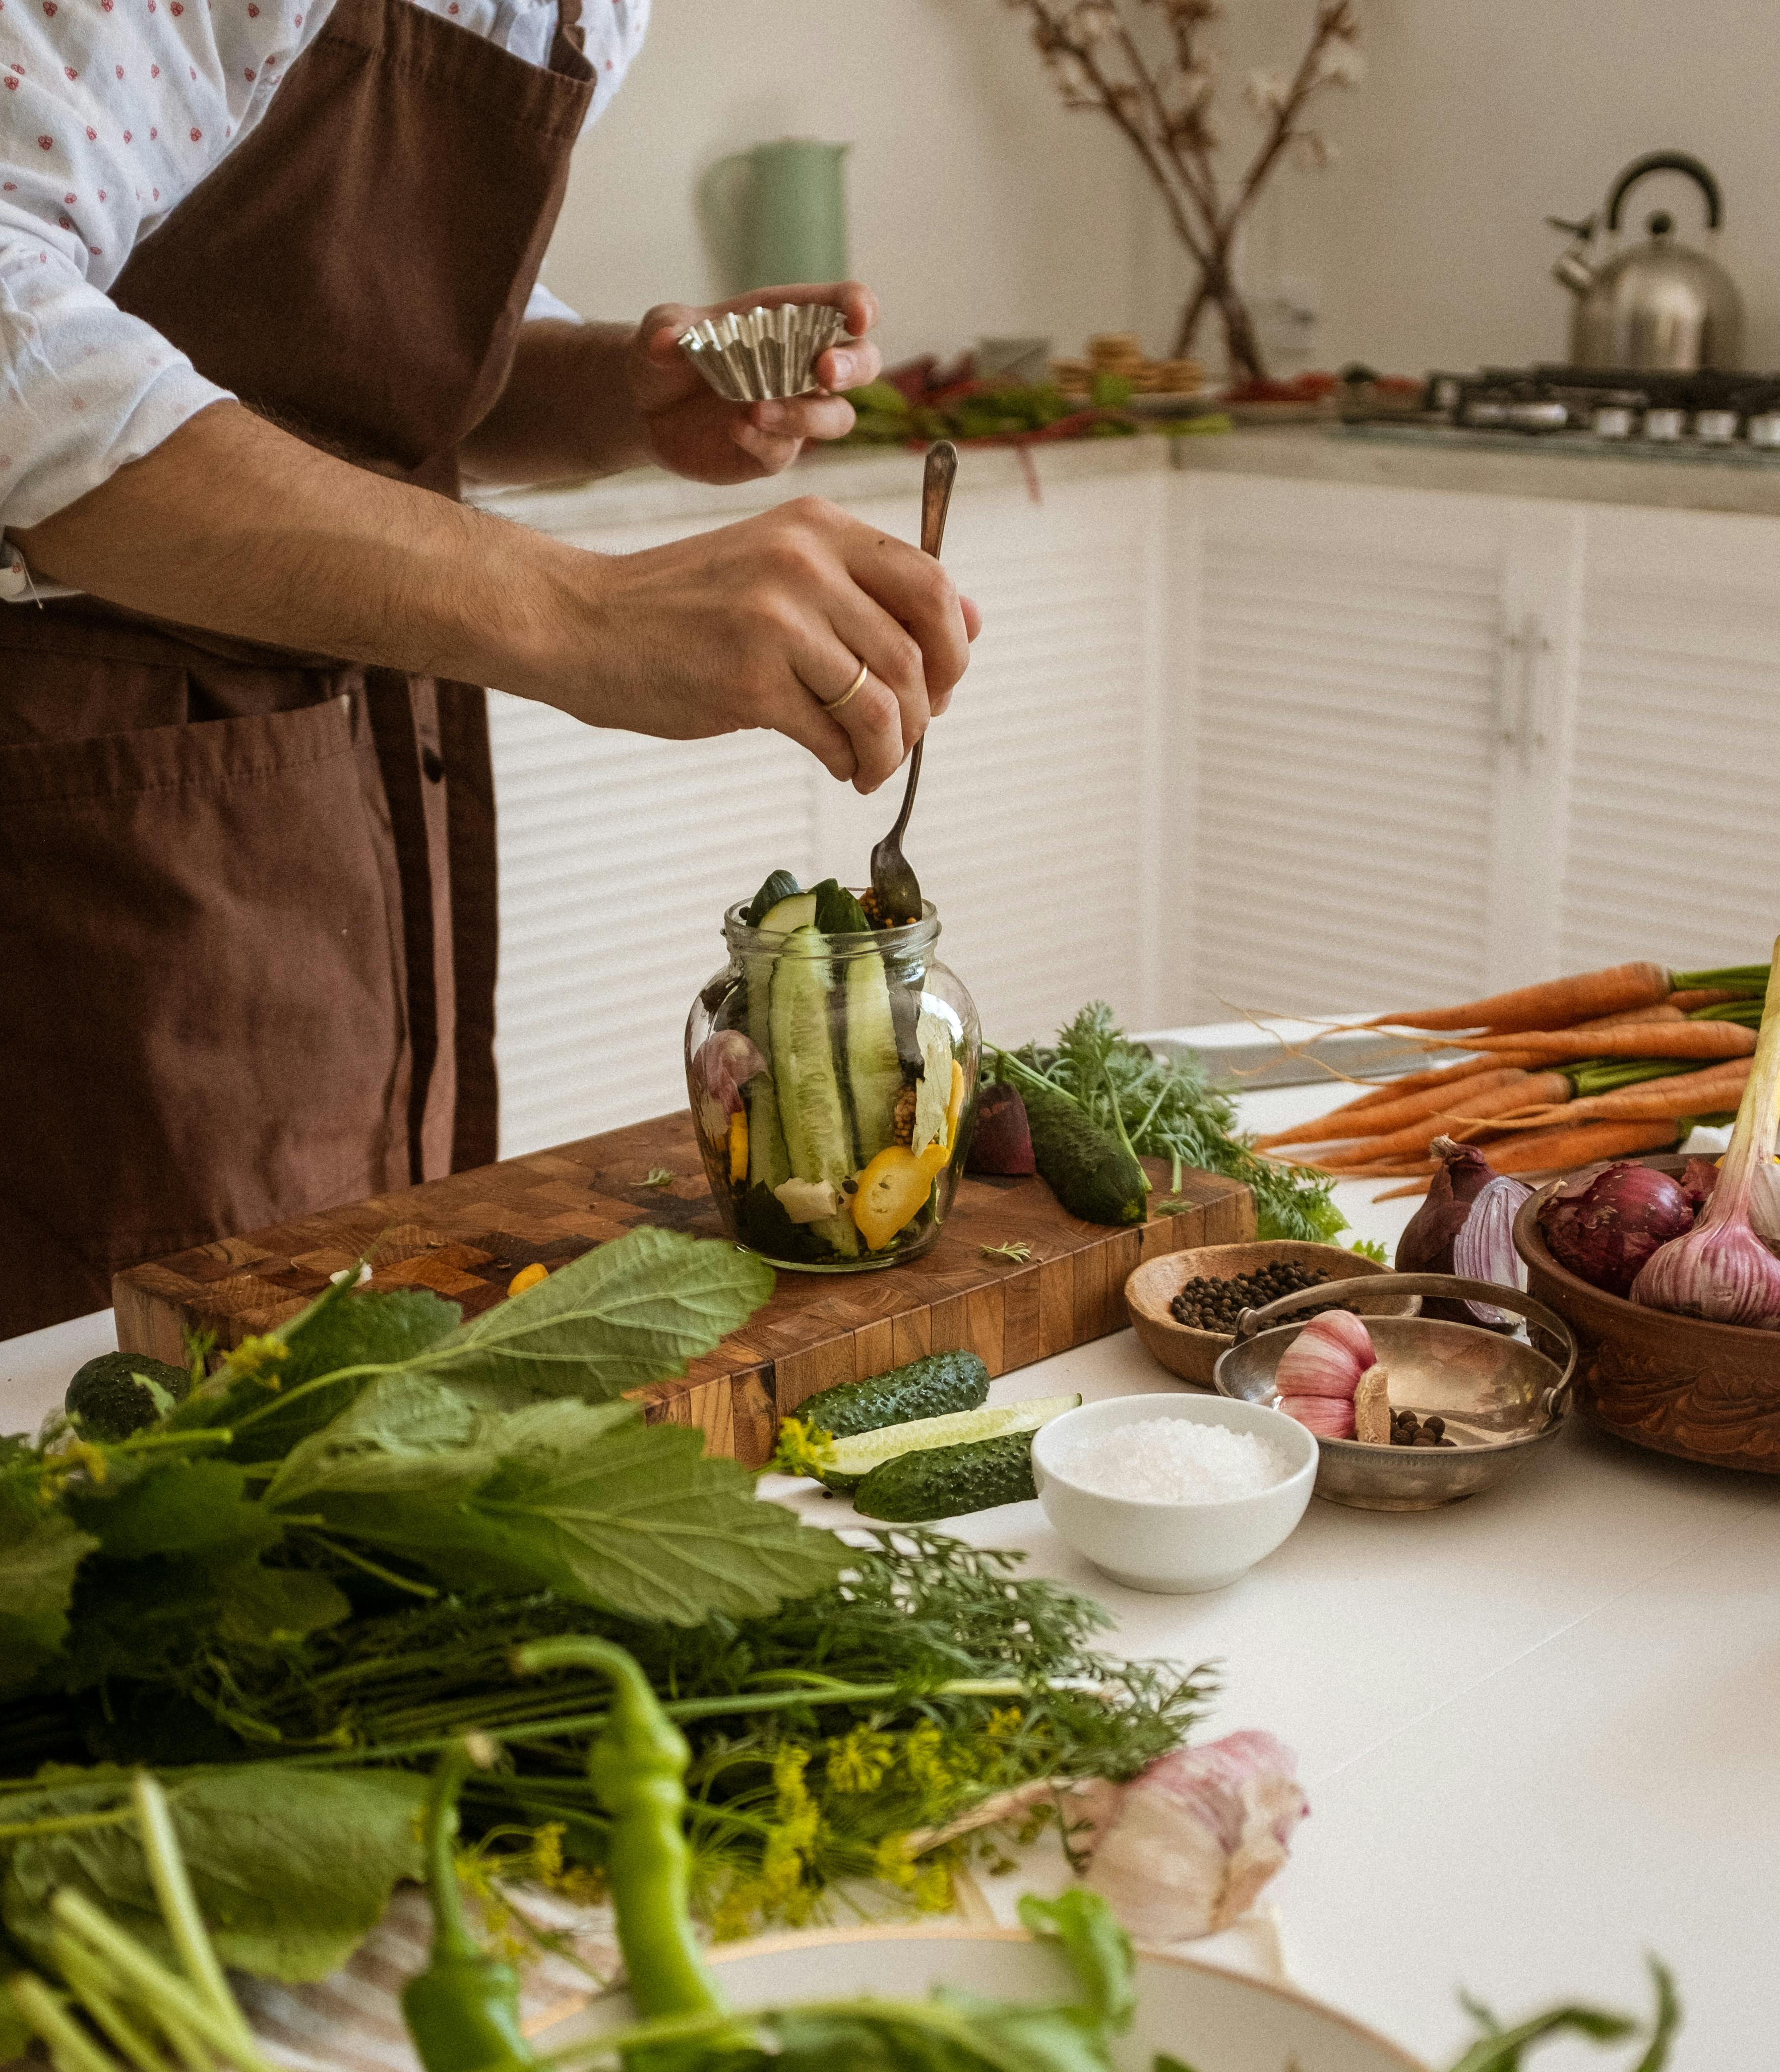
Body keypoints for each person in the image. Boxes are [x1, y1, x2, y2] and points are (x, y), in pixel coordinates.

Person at [0, 0, 978, 1338]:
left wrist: (607, 395)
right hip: (75, 785)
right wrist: (580, 611)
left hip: (364, 765)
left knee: (349, 1331)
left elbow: (314, 343)